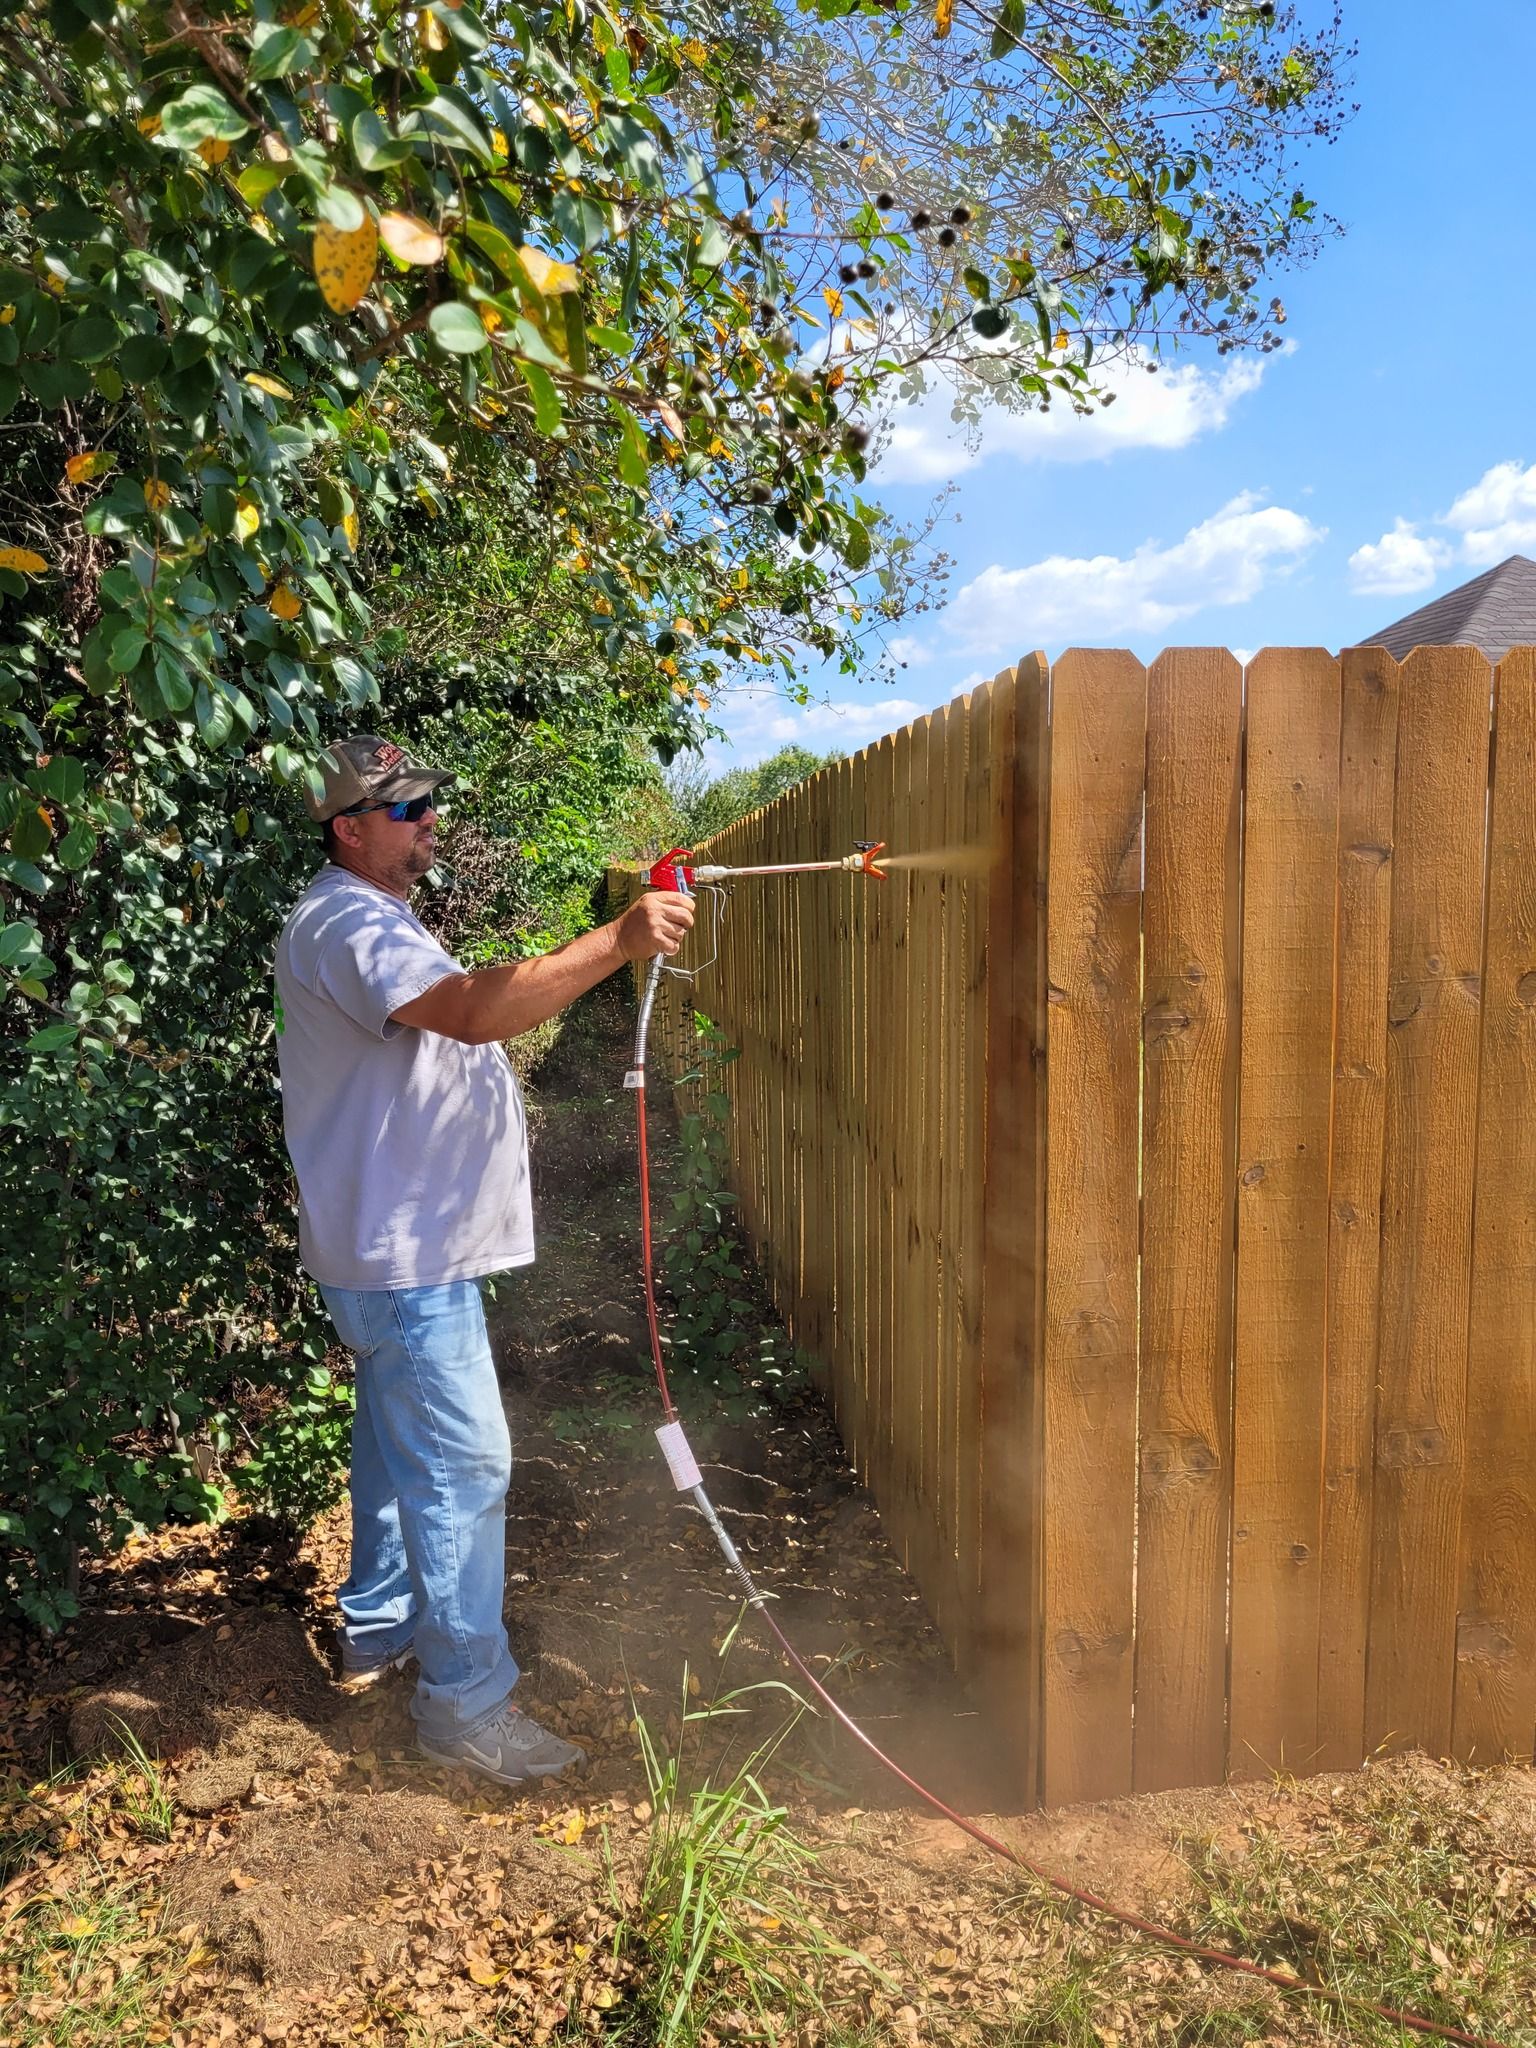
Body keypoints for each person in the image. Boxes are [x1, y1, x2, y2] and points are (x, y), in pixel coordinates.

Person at [272, 733, 694, 1786]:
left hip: (399, 1250)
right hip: (403, 1260)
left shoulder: (369, 914)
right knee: (462, 1466)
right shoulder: (348, 921)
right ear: (348, 828)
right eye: (405, 808)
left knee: (395, 1444)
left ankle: (379, 1630)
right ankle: (464, 1704)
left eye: (427, 802)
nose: (427, 822)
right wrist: (621, 938)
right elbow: (471, 1011)